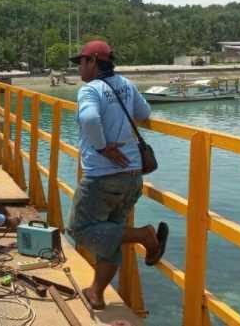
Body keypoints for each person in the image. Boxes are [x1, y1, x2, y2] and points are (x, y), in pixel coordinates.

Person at [67, 40, 168, 310]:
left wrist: (102, 146)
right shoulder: (126, 84)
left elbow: (89, 119)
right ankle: (97, 293)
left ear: (93, 62)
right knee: (111, 234)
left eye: (81, 62)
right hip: (133, 175)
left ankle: (145, 236)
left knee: (79, 228)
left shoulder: (90, 90)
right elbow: (144, 112)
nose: (79, 68)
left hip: (103, 177)